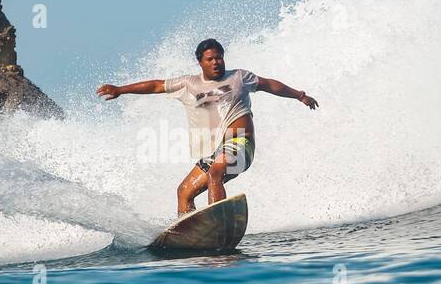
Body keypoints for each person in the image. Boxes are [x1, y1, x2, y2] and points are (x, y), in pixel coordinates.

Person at [97, 38, 319, 214]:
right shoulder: (188, 84)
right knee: (184, 191)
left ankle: (217, 220)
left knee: (216, 171)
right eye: (210, 59)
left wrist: (300, 95)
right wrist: (120, 90)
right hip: (216, 152)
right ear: (200, 61)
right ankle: (191, 233)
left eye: (220, 58)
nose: (216, 62)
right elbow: (156, 86)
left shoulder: (240, 77)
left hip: (241, 144)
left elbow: (270, 85)